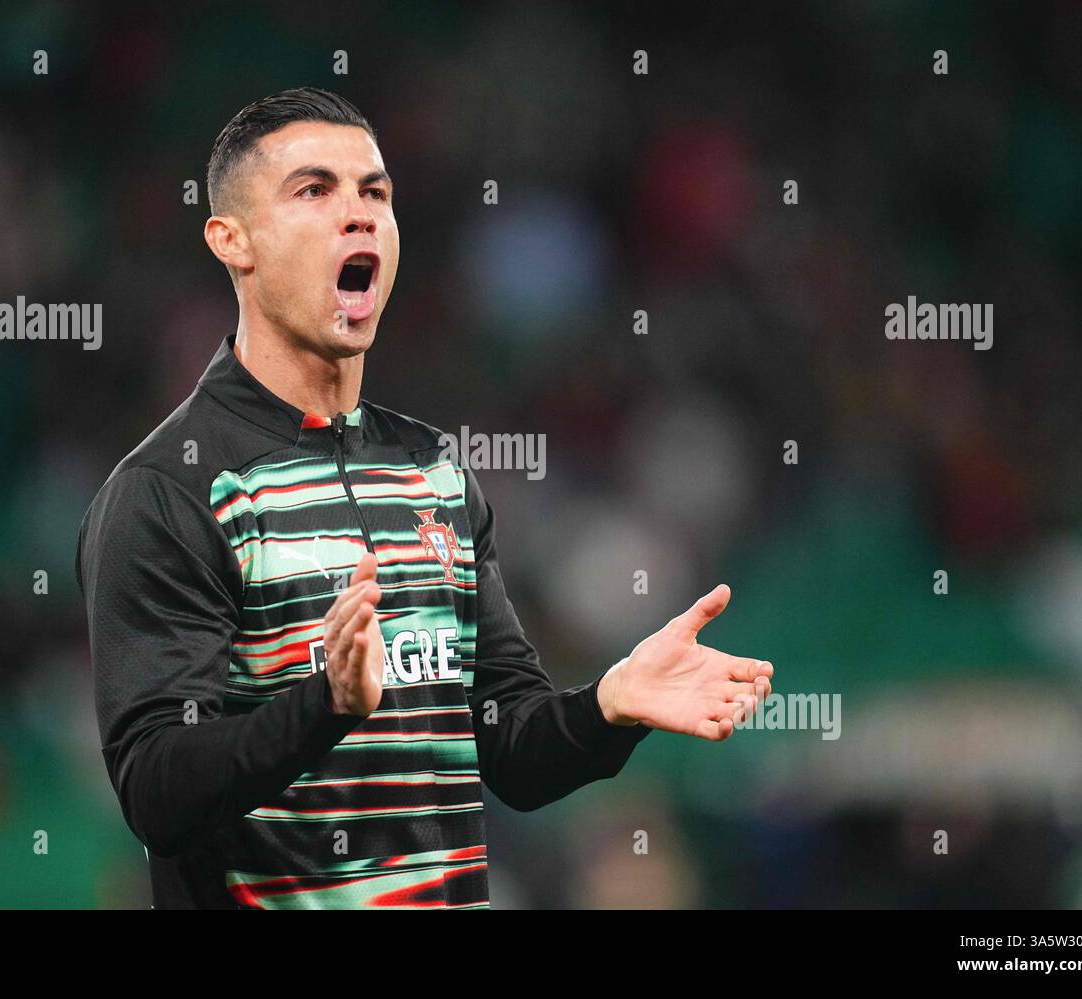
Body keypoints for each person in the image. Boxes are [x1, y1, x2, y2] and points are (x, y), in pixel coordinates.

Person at [76, 86, 774, 909]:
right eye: (315, 190)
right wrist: (323, 703)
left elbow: (505, 747)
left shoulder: (435, 472)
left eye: (375, 193)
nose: (360, 215)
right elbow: (158, 790)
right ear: (234, 242)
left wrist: (606, 707)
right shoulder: (170, 490)